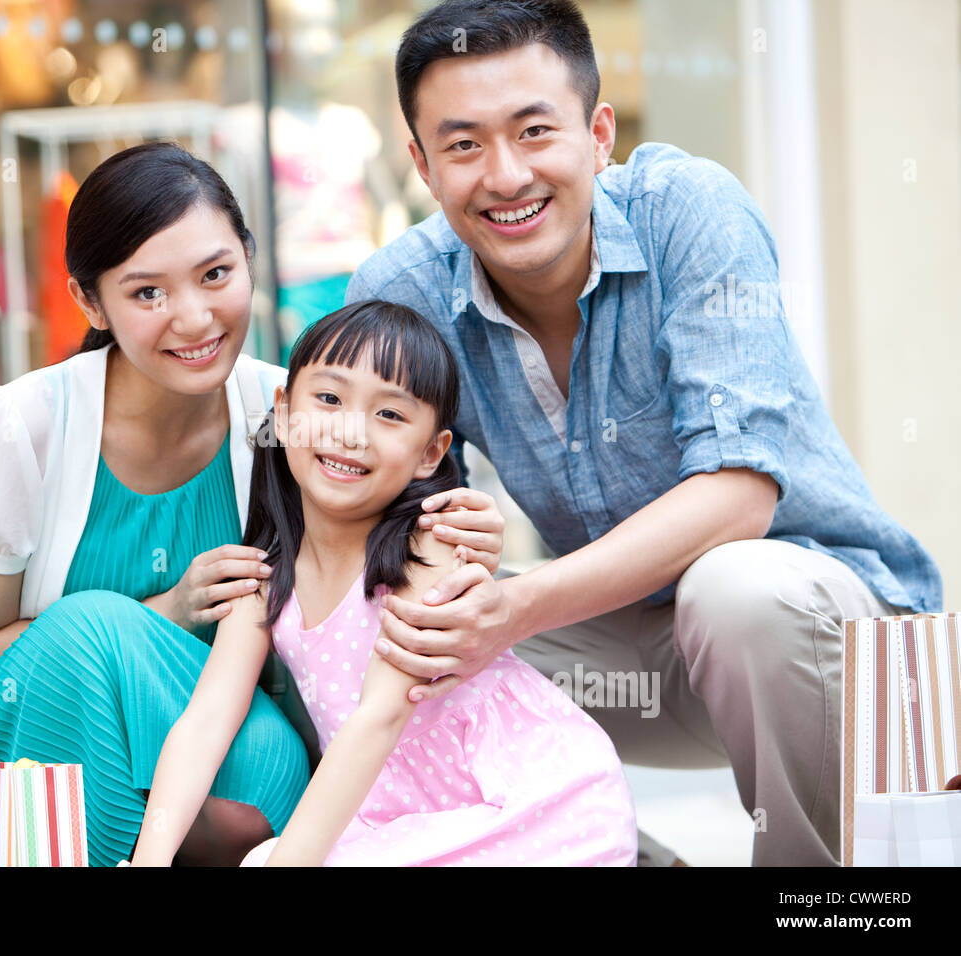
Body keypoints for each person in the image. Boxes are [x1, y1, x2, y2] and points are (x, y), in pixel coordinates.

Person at [345, 0, 942, 866]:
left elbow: (740, 494)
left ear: (598, 135)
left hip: (825, 641)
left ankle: (824, 901)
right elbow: (380, 519)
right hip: (629, 648)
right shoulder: (403, 291)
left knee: (733, 589)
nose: (506, 176)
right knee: (394, 636)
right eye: (464, 144)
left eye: (534, 131)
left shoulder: (687, 210)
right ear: (423, 166)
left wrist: (514, 606)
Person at [0, 143, 509, 866]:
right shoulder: (25, 426)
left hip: (210, 733)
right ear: (88, 300)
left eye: (215, 274)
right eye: (148, 293)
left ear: (249, 258)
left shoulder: (281, 408)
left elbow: (384, 500)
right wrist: (165, 613)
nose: (196, 318)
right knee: (90, 628)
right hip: (30, 743)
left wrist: (456, 516)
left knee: (272, 753)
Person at [130, 300, 637, 866]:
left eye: (390, 415)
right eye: (328, 399)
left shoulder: (429, 545)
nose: (351, 432)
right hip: (401, 824)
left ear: (431, 453)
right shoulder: (265, 579)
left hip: (538, 806)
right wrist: (149, 861)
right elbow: (206, 722)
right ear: (285, 410)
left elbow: (381, 716)